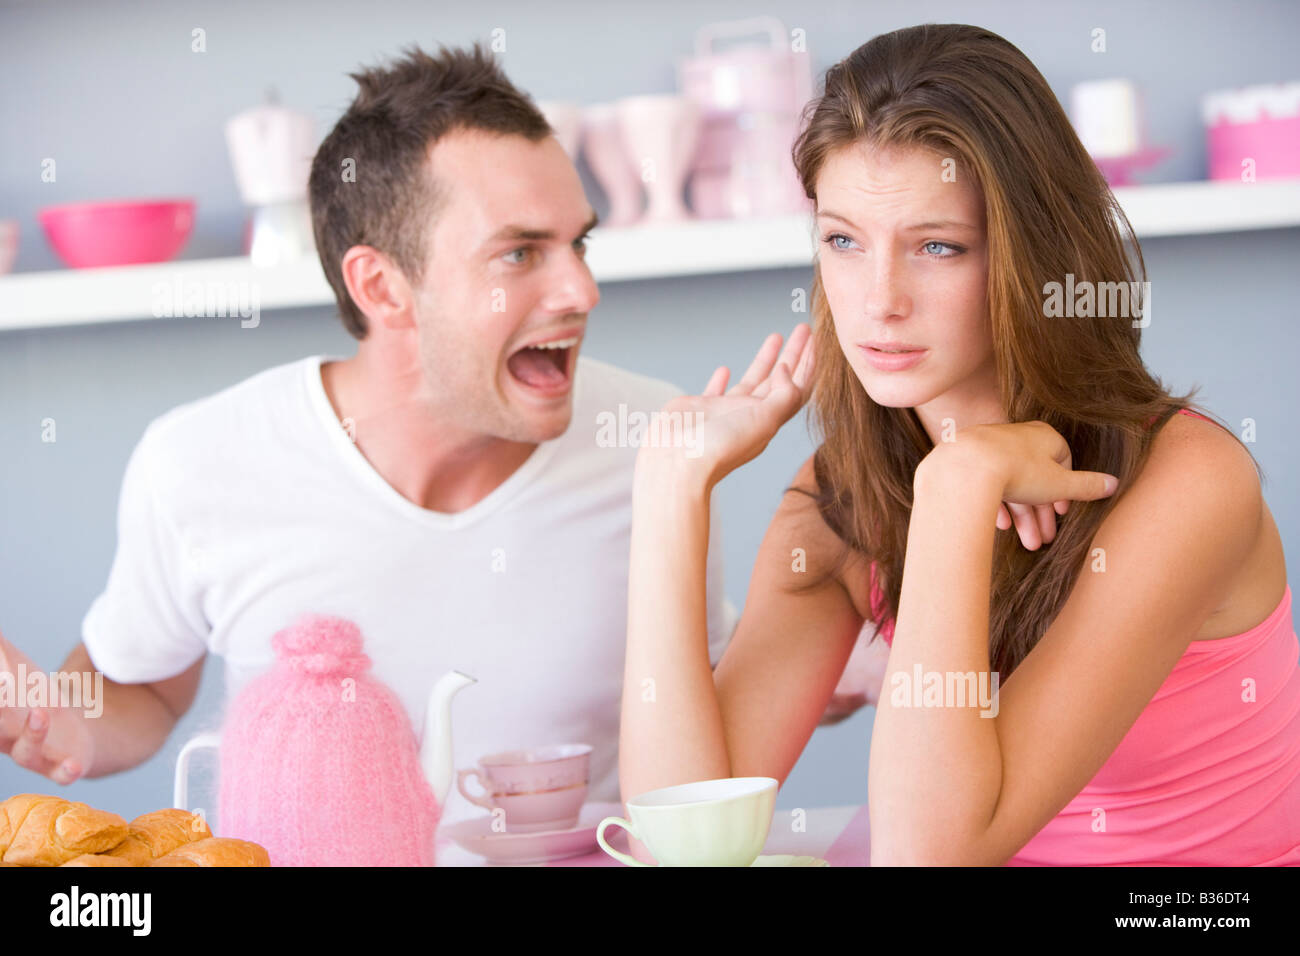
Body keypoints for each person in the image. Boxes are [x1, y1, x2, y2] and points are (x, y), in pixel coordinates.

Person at [1, 43, 794, 834]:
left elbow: (704, 700)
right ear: (381, 286)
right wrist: (61, 723)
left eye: (577, 243)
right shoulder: (200, 461)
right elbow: (140, 689)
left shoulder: (657, 445)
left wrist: (830, 641)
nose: (581, 290)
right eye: (519, 252)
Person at [619, 23, 1299, 866]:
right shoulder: (843, 495)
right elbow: (675, 840)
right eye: (843, 241)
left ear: (1029, 253)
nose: (878, 301)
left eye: (937, 247)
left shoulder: (1186, 482)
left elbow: (930, 855)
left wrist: (955, 488)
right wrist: (668, 490)